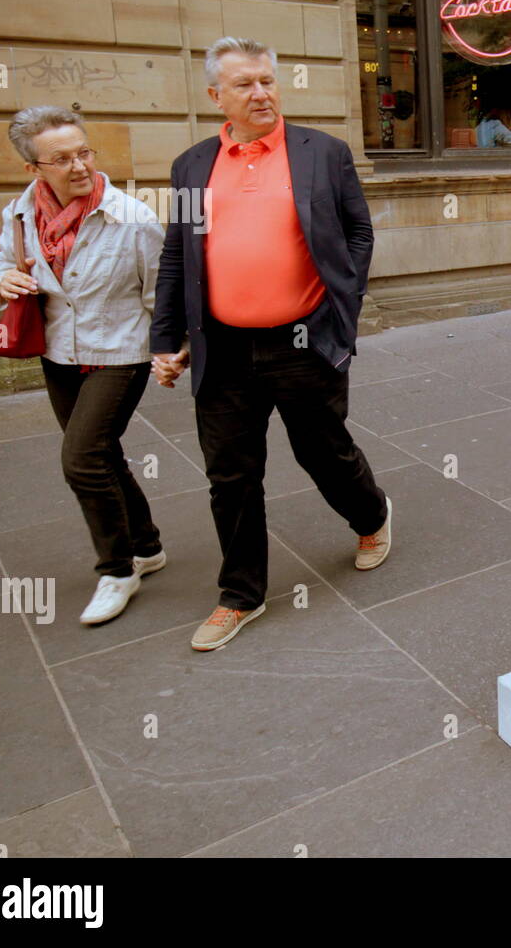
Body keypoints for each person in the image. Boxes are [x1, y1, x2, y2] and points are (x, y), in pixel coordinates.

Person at [150, 37, 391, 652]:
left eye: (266, 81)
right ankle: (240, 594)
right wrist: (166, 338)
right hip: (223, 347)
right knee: (229, 474)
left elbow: (359, 231)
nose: (260, 94)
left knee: (323, 451)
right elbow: (179, 253)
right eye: (243, 85)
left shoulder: (322, 153)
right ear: (216, 97)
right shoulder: (191, 166)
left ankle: (371, 517)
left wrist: (345, 301)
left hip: (304, 338)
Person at [0, 107, 166, 626]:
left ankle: (117, 570)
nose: (79, 165)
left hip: (119, 350)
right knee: (102, 452)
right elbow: (4, 261)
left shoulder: (133, 218)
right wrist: (2, 280)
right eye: (62, 158)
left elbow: (162, 294)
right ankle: (148, 547)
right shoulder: (19, 215)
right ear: (34, 169)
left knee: (82, 458)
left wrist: (172, 351)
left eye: (84, 152)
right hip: (59, 352)